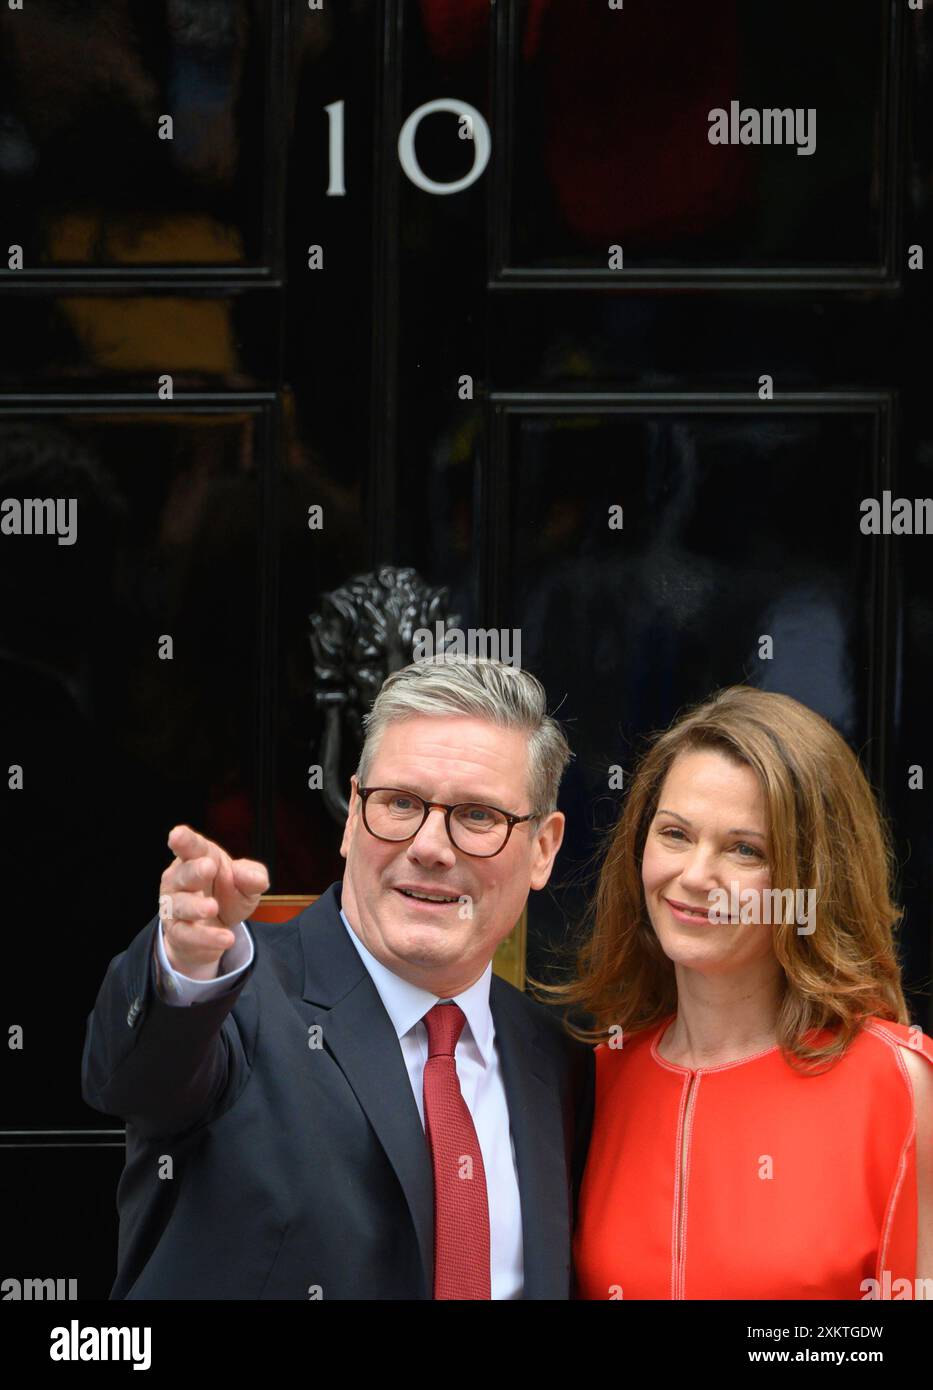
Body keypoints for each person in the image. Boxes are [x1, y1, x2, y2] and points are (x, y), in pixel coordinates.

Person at [81, 655, 594, 1299]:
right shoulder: (235, 998)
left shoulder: (557, 1061)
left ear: (543, 848)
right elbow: (133, 1075)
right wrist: (182, 968)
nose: (431, 846)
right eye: (400, 802)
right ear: (352, 814)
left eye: (478, 816)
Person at [546, 685, 933, 1300]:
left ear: (812, 877)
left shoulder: (900, 1081)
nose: (696, 877)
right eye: (675, 834)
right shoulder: (597, 1081)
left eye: (744, 849)